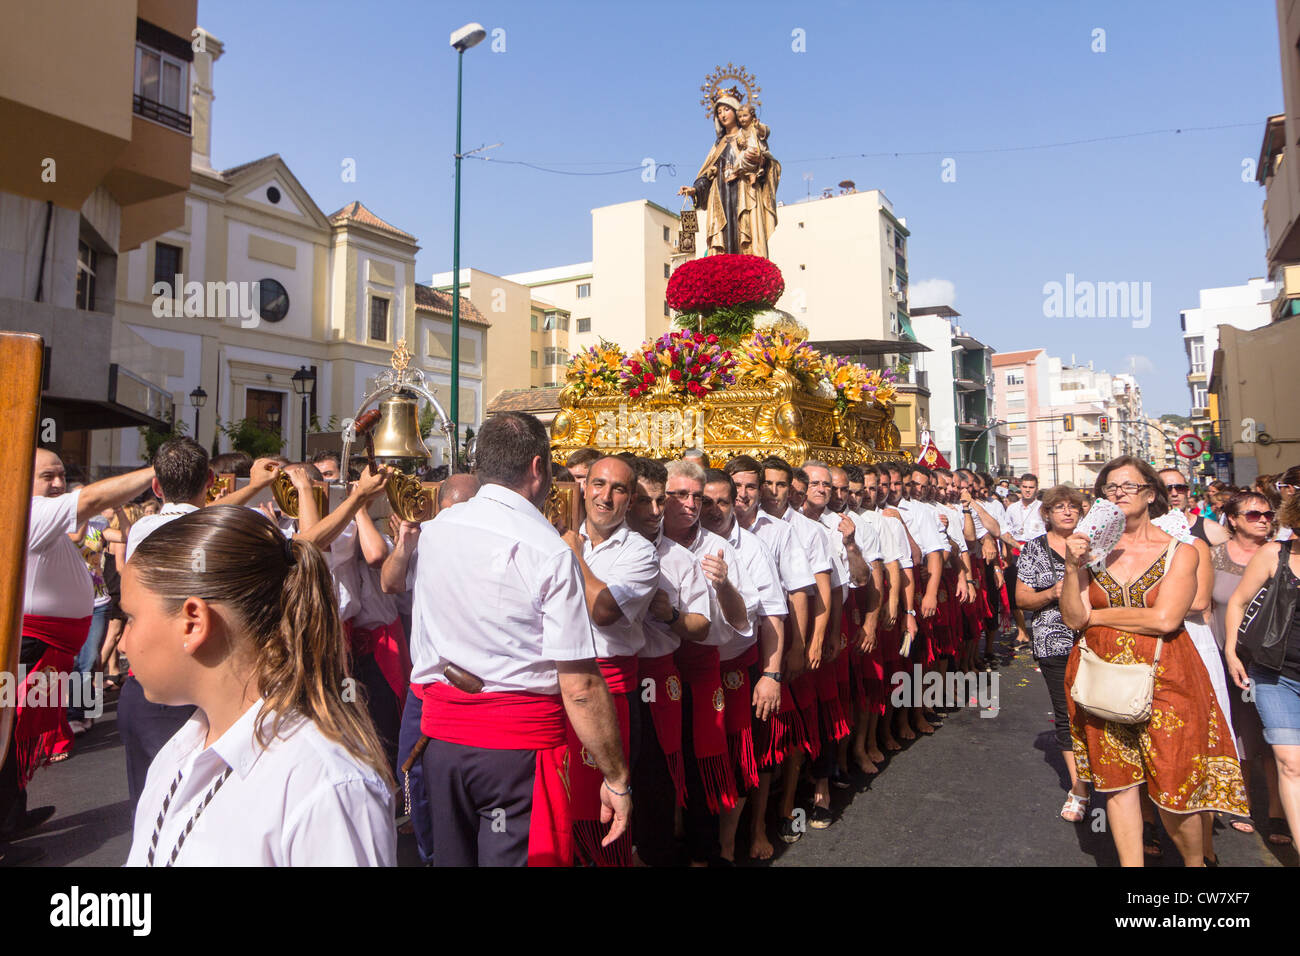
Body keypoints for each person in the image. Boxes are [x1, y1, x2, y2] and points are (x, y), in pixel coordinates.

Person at [411, 412, 628, 866]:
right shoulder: (548, 549)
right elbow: (581, 686)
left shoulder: (436, 531)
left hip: (444, 743)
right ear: (536, 468)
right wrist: (617, 778)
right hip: (514, 753)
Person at [121, 506, 395, 865]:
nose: (123, 643)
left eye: (130, 618)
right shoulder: (180, 752)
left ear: (192, 623)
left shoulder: (324, 787)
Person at [1060, 456, 1247, 866]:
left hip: (1168, 677)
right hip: (1101, 677)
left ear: (1150, 494)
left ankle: (1196, 864)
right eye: (1110, 488)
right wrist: (1073, 567)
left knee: (1175, 784)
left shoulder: (1181, 551)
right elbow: (1073, 617)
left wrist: (1098, 616)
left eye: (1128, 486)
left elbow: (1166, 619)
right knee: (1118, 783)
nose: (1119, 493)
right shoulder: (1089, 554)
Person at [0, 450, 156, 865]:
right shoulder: (26, 511)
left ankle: (10, 817)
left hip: (45, 646)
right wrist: (159, 470)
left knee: (17, 735)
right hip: (30, 645)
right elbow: (89, 501)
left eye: (60, 475)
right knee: (7, 733)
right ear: (19, 479)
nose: (56, 484)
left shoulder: (39, 514)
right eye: (46, 476)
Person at [563, 456, 660, 865]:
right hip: (560, 689)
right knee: (563, 808)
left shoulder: (641, 552)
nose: (605, 496)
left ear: (630, 499)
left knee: (608, 809)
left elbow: (604, 610)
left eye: (618, 489)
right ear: (584, 488)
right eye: (598, 484)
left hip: (611, 694)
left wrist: (573, 557)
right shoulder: (552, 535)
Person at [382, 472, 480, 866]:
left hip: (475, 691)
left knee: (462, 785)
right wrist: (405, 543)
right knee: (414, 778)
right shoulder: (429, 538)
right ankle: (431, 855)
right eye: (444, 515)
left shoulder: (489, 545)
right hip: (427, 689)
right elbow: (390, 583)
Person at [663, 459, 757, 863]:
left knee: (703, 769)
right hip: (658, 673)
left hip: (704, 671)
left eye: (696, 497)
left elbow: (744, 619)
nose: (690, 505)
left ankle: (706, 852)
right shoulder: (643, 542)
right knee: (661, 772)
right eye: (679, 495)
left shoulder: (720, 550)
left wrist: (724, 586)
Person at [626, 458, 711, 867]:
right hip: (610, 680)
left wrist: (671, 616)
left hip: (658, 679)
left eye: (661, 500)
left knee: (656, 784)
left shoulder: (679, 559)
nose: (656, 511)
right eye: (645, 501)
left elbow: (701, 625)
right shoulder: (592, 550)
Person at [700, 466, 785, 862]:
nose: (714, 509)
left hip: (738, 670)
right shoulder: (682, 542)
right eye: (706, 501)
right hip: (694, 672)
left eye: (722, 500)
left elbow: (771, 615)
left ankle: (735, 843)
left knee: (740, 762)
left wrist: (771, 675)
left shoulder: (751, 549)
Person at [1210, 490, 1289, 846]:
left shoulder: (1285, 555)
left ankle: (1277, 811)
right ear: (1233, 520)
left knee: (1276, 739)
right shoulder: (1212, 558)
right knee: (1237, 733)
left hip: (1273, 661)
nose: (1263, 519)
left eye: (1268, 515)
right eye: (1254, 514)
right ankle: (1241, 802)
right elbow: (1203, 607)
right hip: (1222, 655)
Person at [1014, 485, 1087, 822]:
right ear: (1047, 514)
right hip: (1054, 639)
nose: (1067, 512)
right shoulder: (1034, 550)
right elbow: (1022, 599)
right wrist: (1051, 592)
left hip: (1095, 637)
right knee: (1067, 712)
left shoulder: (1096, 546)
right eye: (1059, 507)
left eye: (1073, 506)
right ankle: (1078, 787)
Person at [677, 88, 780, 259]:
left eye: (726, 109)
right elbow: (706, 175)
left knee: (745, 232)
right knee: (724, 238)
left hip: (744, 194)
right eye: (719, 112)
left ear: (736, 111)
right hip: (721, 196)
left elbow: (768, 164)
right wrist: (694, 189)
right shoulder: (719, 145)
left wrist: (760, 161)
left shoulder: (748, 135)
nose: (723, 115)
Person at [1002, 473, 1045, 646]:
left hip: (1037, 552)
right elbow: (1006, 532)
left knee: (1038, 593)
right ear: (1020, 487)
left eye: (1031, 487)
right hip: (1016, 552)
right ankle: (1022, 632)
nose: (1028, 490)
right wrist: (1007, 555)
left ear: (1036, 488)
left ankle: (1040, 631)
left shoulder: (1043, 508)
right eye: (1025, 487)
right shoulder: (1012, 508)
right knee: (1015, 593)